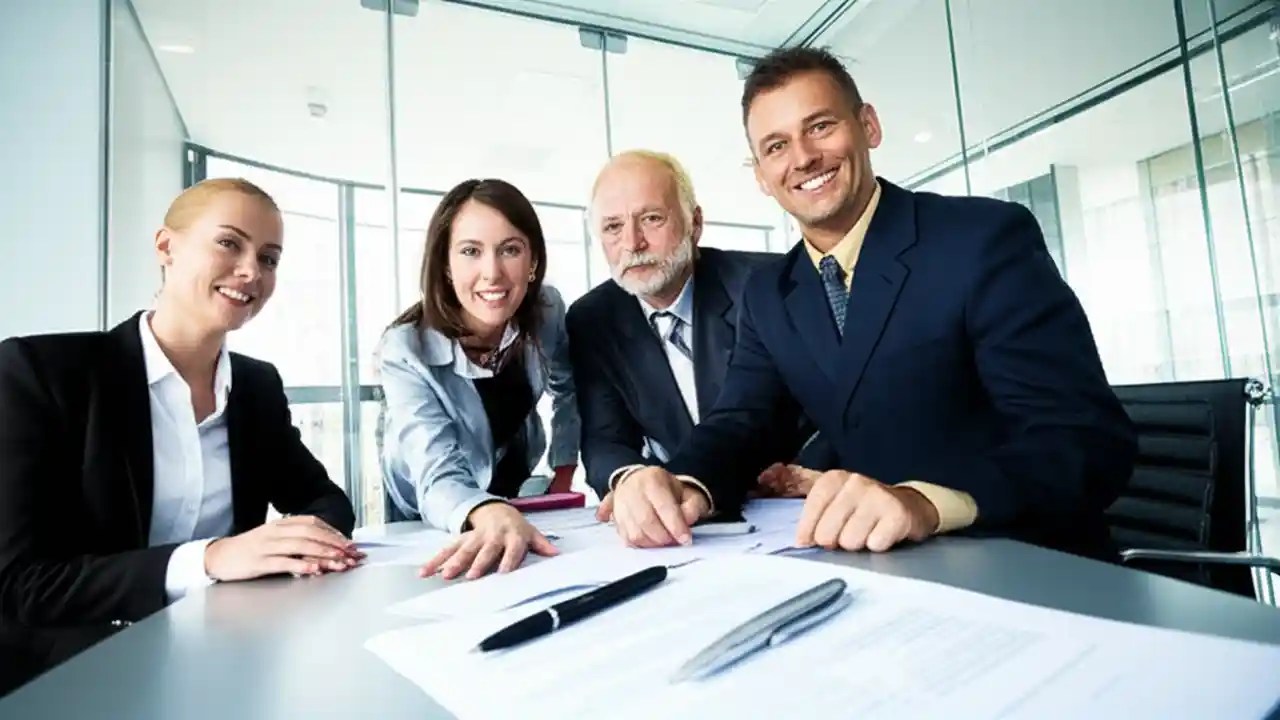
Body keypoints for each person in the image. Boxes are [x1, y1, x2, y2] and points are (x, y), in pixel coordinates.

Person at [600, 47, 1136, 560]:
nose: (803, 158)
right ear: (761, 175)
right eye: (776, 146)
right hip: (883, 570)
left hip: (1028, 557)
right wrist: (685, 483)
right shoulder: (769, 292)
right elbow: (741, 421)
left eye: (821, 126)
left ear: (869, 127)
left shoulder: (981, 239)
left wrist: (925, 503)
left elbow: (1083, 440)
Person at [0, 178, 359, 695]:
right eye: (229, 243)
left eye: (270, 258)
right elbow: (20, 583)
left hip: (221, 659)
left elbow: (325, 500)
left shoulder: (256, 387)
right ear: (166, 247)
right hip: (67, 677)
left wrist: (293, 548)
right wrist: (212, 557)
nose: (251, 271)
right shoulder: (44, 373)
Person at [568, 149, 829, 501]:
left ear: (695, 224)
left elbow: (839, 402)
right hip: (688, 514)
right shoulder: (592, 319)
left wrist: (813, 471)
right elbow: (605, 439)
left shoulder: (770, 284)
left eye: (652, 218)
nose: (632, 243)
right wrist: (631, 482)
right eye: (613, 227)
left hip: (794, 500)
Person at [377, 178, 580, 581]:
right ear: (446, 266)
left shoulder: (547, 309)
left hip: (510, 470)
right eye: (471, 251)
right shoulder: (404, 349)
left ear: (533, 260)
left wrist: (564, 471)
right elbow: (435, 472)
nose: (493, 273)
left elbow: (568, 388)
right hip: (429, 497)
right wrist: (481, 509)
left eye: (510, 250)